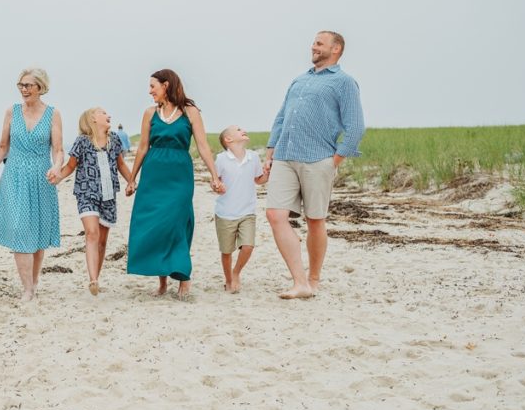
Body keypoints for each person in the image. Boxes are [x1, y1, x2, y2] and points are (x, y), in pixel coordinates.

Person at [265, 30, 365, 299]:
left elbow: (356, 126)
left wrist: (335, 160)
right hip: (284, 156)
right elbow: (281, 118)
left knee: (315, 220)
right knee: (275, 215)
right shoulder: (299, 80)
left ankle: (313, 279)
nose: (313, 47)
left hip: (318, 159)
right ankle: (299, 282)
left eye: (320, 43)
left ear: (336, 49)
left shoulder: (344, 82)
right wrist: (270, 152)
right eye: (313, 43)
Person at [127, 69, 224, 299]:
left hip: (179, 174)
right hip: (153, 174)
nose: (150, 91)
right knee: (156, 225)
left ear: (166, 85)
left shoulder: (190, 111)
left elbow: (202, 146)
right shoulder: (150, 113)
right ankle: (162, 281)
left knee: (178, 223)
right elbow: (143, 147)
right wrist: (132, 178)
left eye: (153, 86)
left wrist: (214, 175)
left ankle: (183, 278)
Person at [0, 68, 63, 302]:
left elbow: (58, 150)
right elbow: (3, 146)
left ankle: (34, 281)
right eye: (21, 85)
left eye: (28, 85)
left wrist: (57, 167)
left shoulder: (53, 114)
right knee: (21, 230)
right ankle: (27, 289)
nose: (23, 89)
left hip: (42, 178)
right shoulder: (12, 112)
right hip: (14, 177)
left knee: (38, 235)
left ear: (40, 87)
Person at [50, 107, 134, 296]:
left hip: (109, 196)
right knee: (92, 233)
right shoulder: (82, 141)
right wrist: (58, 176)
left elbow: (121, 164)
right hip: (86, 193)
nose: (108, 115)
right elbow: (71, 165)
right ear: (93, 119)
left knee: (102, 241)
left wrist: (131, 181)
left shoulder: (114, 139)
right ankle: (93, 279)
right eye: (103, 113)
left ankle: (97, 277)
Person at [214, 126, 270, 293]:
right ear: (228, 139)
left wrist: (268, 174)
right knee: (226, 251)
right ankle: (228, 279)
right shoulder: (221, 159)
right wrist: (216, 186)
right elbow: (215, 180)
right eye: (238, 129)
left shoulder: (253, 157)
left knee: (248, 246)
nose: (243, 130)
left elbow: (258, 179)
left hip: (247, 212)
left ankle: (236, 273)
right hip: (225, 213)